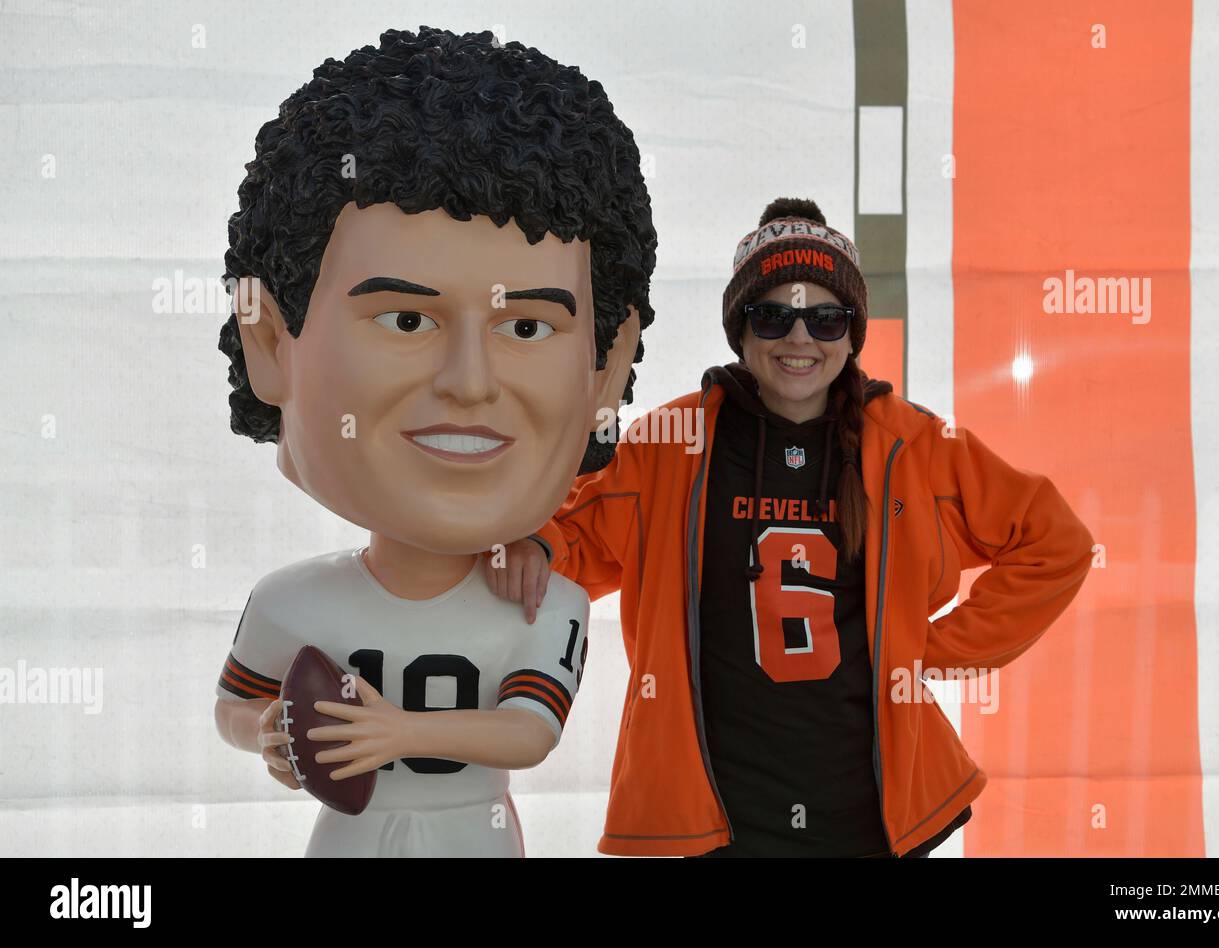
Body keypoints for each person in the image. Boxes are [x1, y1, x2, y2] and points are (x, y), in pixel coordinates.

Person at [488, 197, 1095, 857]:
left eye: (825, 320)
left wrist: (939, 648)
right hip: (712, 817)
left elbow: (1054, 544)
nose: (799, 339)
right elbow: (577, 529)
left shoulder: (913, 445)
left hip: (871, 813)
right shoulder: (672, 441)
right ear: (739, 330)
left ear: (852, 332)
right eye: (773, 316)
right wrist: (535, 540)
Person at [211, 27, 656, 857]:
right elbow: (232, 708)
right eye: (407, 319)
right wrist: (266, 729)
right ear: (269, 339)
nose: (470, 383)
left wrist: (391, 732)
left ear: (608, 366)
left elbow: (529, 736)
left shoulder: (547, 604)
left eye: (527, 324)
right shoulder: (288, 602)